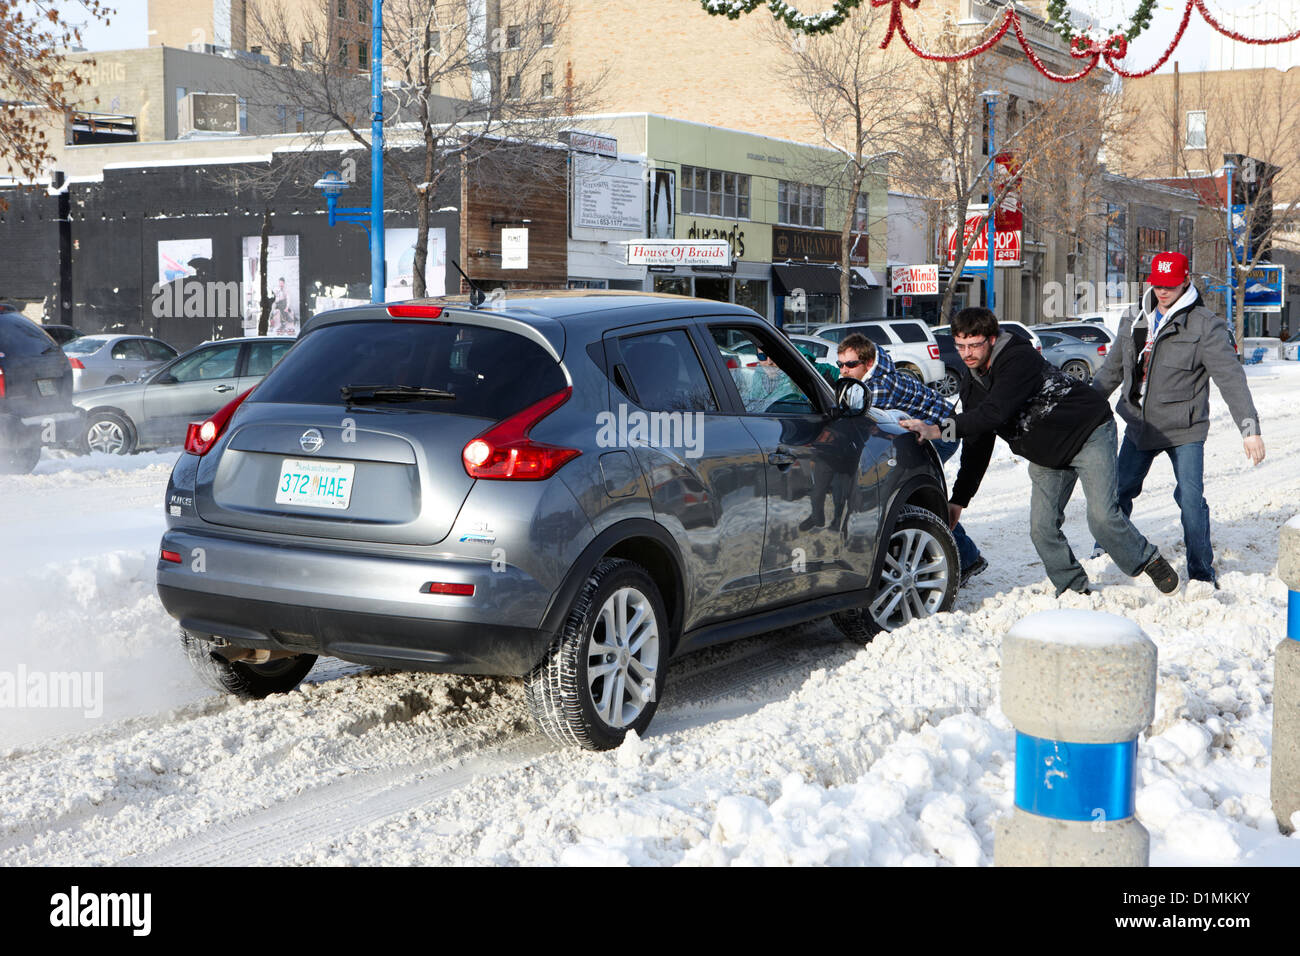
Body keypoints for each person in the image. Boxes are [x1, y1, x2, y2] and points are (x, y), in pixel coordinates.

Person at [898, 307, 1179, 597]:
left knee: (1102, 518)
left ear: (992, 339)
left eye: (974, 344)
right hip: (1048, 456)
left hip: (1088, 433)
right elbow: (977, 441)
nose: (966, 353)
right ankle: (1073, 587)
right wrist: (959, 499)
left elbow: (995, 413)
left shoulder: (1017, 358)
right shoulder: (972, 384)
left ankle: (1147, 559)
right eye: (960, 346)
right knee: (1042, 529)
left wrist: (937, 429)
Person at [1091, 251, 1264, 586]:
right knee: (1117, 493)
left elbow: (1231, 379)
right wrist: (1078, 408)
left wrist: (1250, 429)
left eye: (1170, 284)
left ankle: (1201, 571)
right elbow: (1110, 373)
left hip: (1185, 429)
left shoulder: (1205, 326)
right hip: (1139, 425)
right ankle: (1107, 550)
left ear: (1186, 280)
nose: (1163, 291)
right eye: (1157, 284)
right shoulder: (1134, 319)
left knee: (1189, 499)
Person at [835, 333, 987, 586]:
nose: (844, 371)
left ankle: (968, 558)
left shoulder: (879, 387)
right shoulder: (871, 378)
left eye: (850, 365)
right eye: (841, 364)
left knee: (921, 494)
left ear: (868, 362)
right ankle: (960, 554)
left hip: (944, 434)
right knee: (919, 496)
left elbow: (858, 420)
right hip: (932, 428)